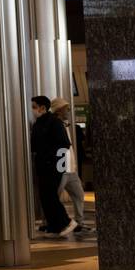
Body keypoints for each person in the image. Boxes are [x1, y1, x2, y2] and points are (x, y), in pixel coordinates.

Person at [31, 95, 74, 236]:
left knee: (50, 195)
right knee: (45, 196)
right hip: (42, 166)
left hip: (53, 166)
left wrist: (57, 163)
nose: (33, 110)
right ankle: (54, 225)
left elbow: (64, 144)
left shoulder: (54, 122)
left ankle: (66, 222)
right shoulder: (38, 124)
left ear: (43, 107)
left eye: (34, 107)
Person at [51, 98, 90, 233]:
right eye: (66, 109)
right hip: (62, 167)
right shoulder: (55, 124)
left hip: (70, 167)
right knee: (54, 197)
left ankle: (79, 222)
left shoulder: (65, 124)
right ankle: (49, 222)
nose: (68, 111)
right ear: (59, 110)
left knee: (79, 194)